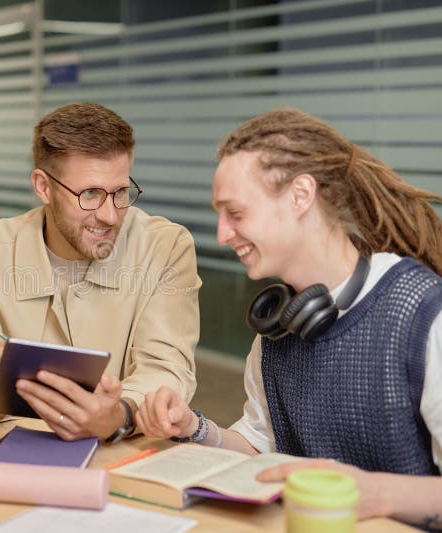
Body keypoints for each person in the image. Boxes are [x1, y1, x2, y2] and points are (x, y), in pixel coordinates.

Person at [135, 108, 442, 527]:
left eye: (236, 214)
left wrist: (370, 491)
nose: (223, 234)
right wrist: (191, 425)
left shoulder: (422, 313)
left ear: (300, 195)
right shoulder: (279, 327)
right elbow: (259, 448)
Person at [0, 102, 201, 443]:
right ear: (43, 187)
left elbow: (167, 369)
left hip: (123, 455)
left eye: (120, 192)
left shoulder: (165, 247)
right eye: (90, 193)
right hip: (16, 459)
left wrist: (118, 415)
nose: (109, 215)